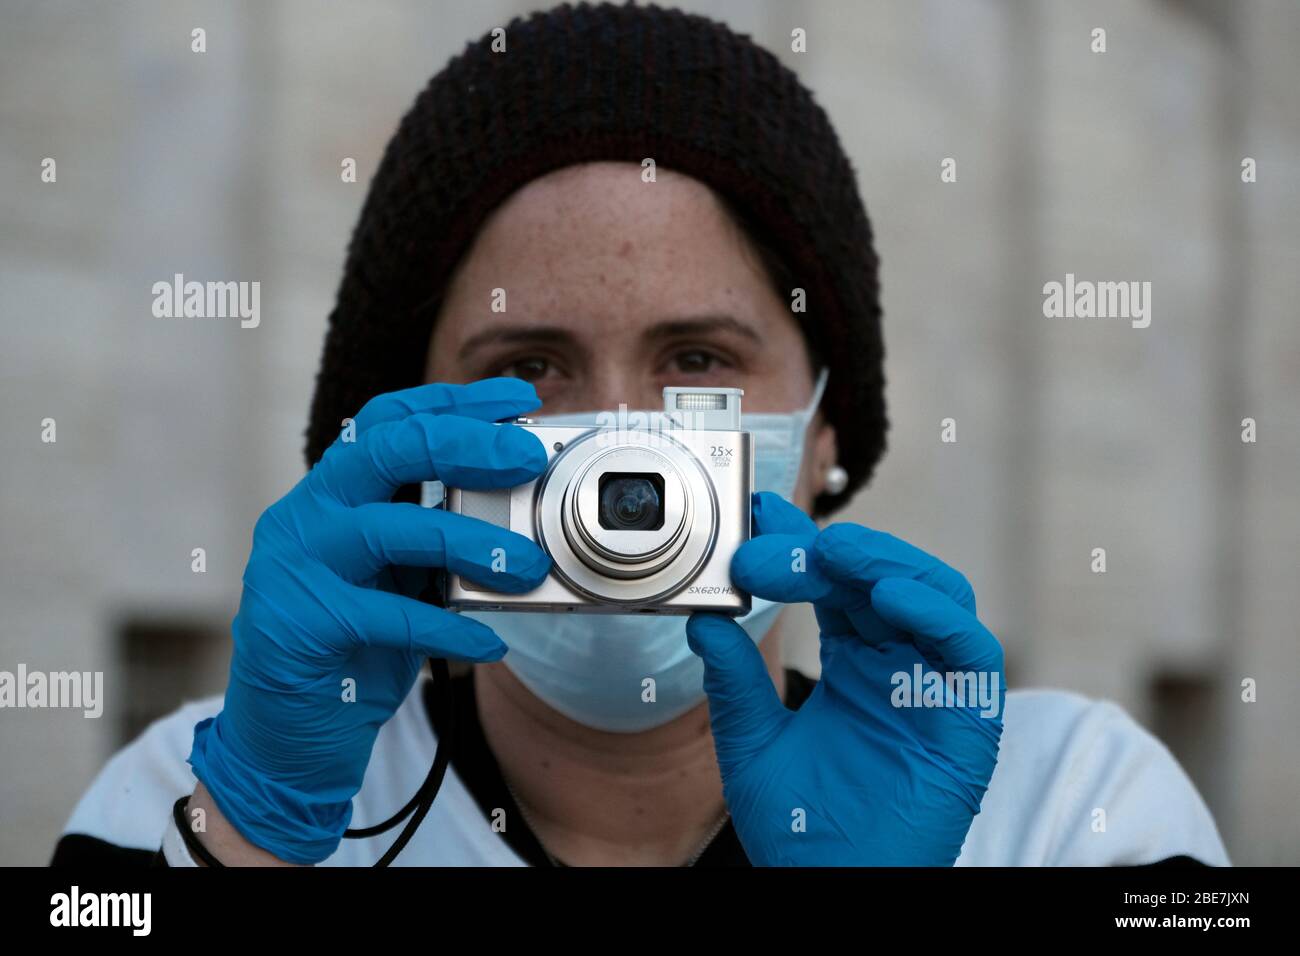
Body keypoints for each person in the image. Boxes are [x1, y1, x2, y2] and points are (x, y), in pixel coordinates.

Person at [52, 1, 1227, 868]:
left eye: (698, 362)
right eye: (527, 368)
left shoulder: (1071, 806)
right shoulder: (193, 793)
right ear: (409, 448)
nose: (620, 437)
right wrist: (245, 841)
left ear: (824, 433)